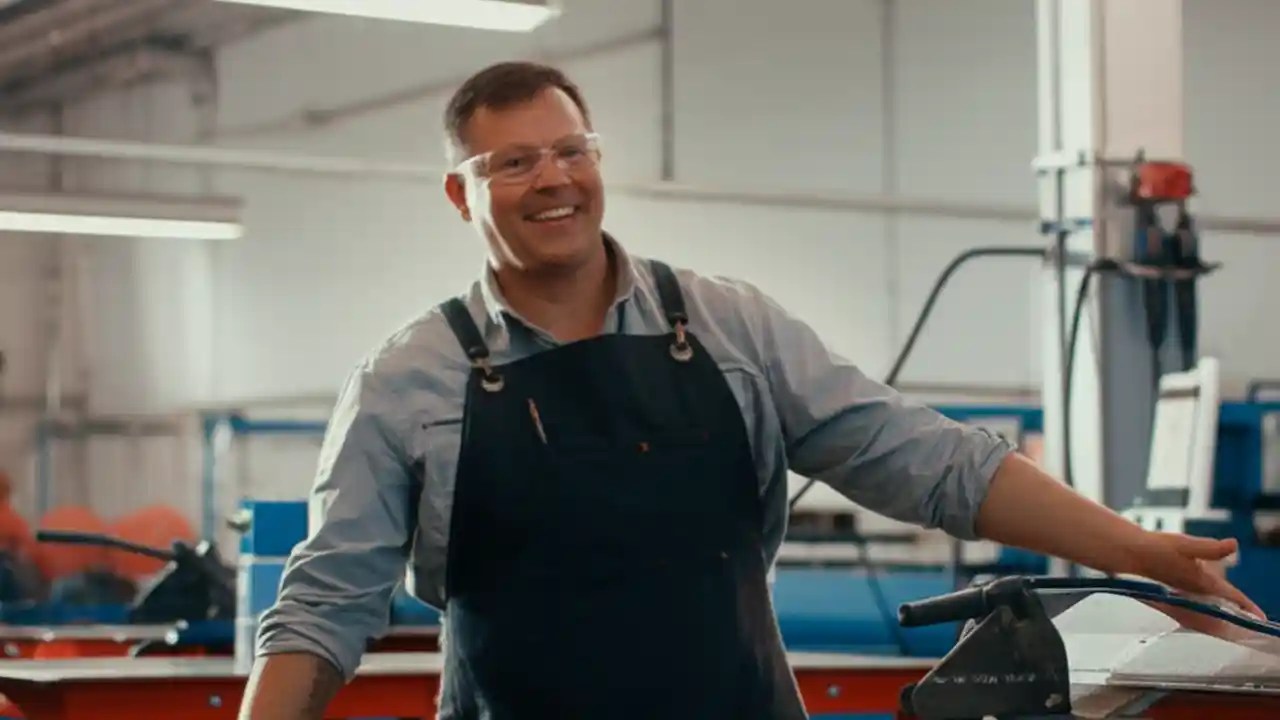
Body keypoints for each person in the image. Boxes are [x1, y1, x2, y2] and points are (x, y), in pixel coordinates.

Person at [238, 61, 1261, 720]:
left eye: (570, 150)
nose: (553, 179)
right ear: (461, 194)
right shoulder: (406, 380)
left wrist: (1131, 549)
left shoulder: (730, 329)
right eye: (513, 162)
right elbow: (322, 608)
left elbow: (924, 463)